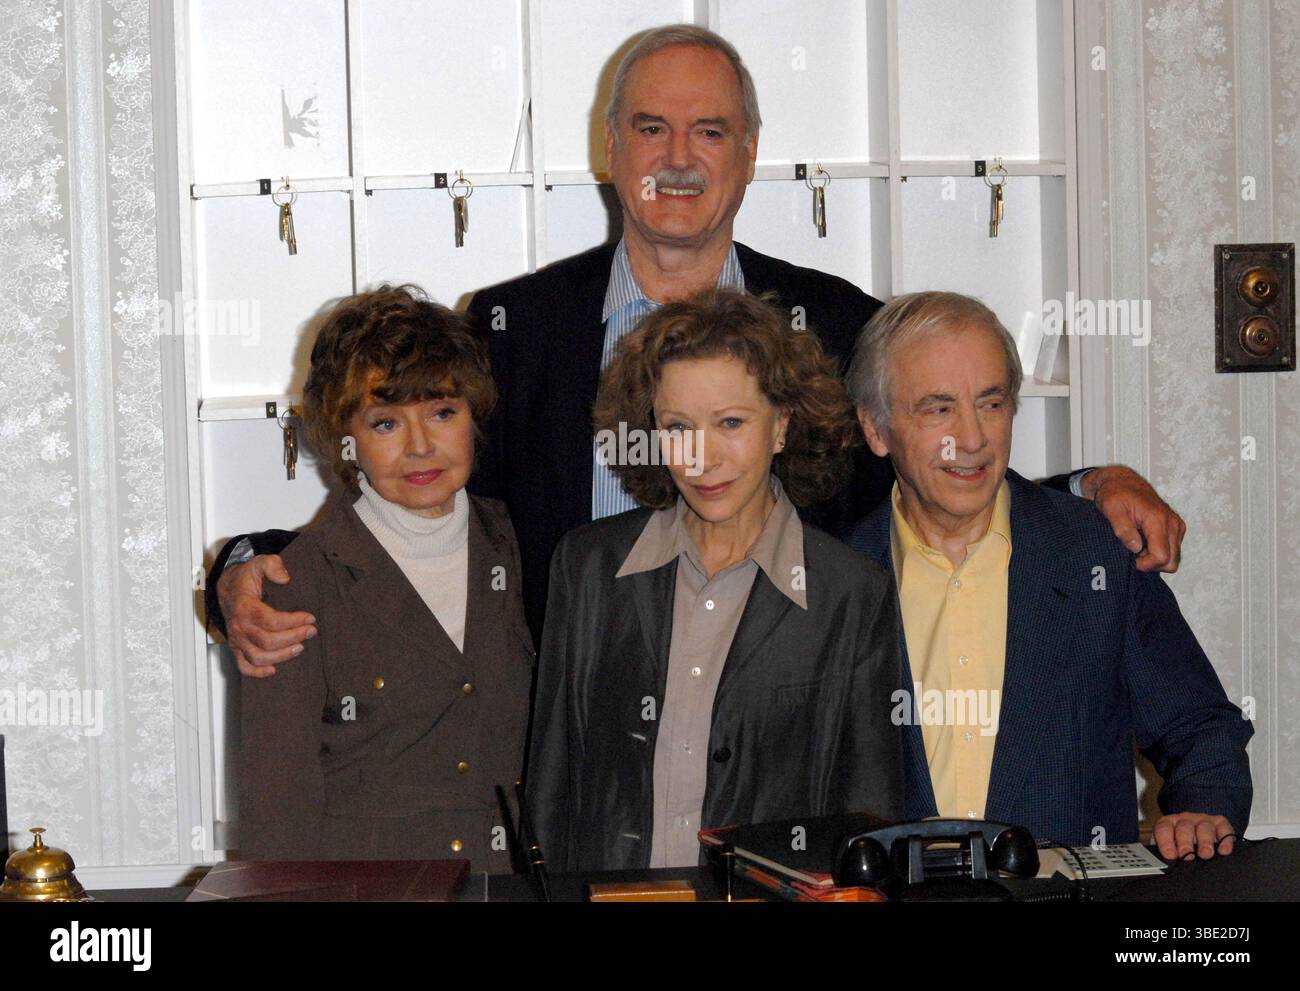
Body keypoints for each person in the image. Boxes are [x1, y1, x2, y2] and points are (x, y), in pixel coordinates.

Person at [208, 24, 1185, 677]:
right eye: (651, 126)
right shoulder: (513, 328)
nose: (677, 154)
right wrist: (248, 564)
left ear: (749, 151)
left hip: (789, 738)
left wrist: (1089, 484)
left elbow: (941, 479)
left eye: (707, 129)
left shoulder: (841, 324)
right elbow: (407, 504)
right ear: (610, 148)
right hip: (579, 742)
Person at [844, 292, 1253, 859]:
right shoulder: (833, 580)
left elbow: (1199, 724)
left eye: (991, 403)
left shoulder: (1097, 554)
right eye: (938, 408)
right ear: (876, 428)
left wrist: (1203, 810)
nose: (971, 438)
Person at [526, 290, 903, 872]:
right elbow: (549, 792)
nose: (701, 457)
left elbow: (866, 816)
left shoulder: (851, 594)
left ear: (781, 425)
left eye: (730, 422)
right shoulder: (587, 568)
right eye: (678, 426)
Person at [239, 286, 533, 870]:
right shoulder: (295, 585)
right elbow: (279, 813)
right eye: (385, 423)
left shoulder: (527, 546)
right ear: (346, 439)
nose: (421, 446)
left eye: (442, 412)